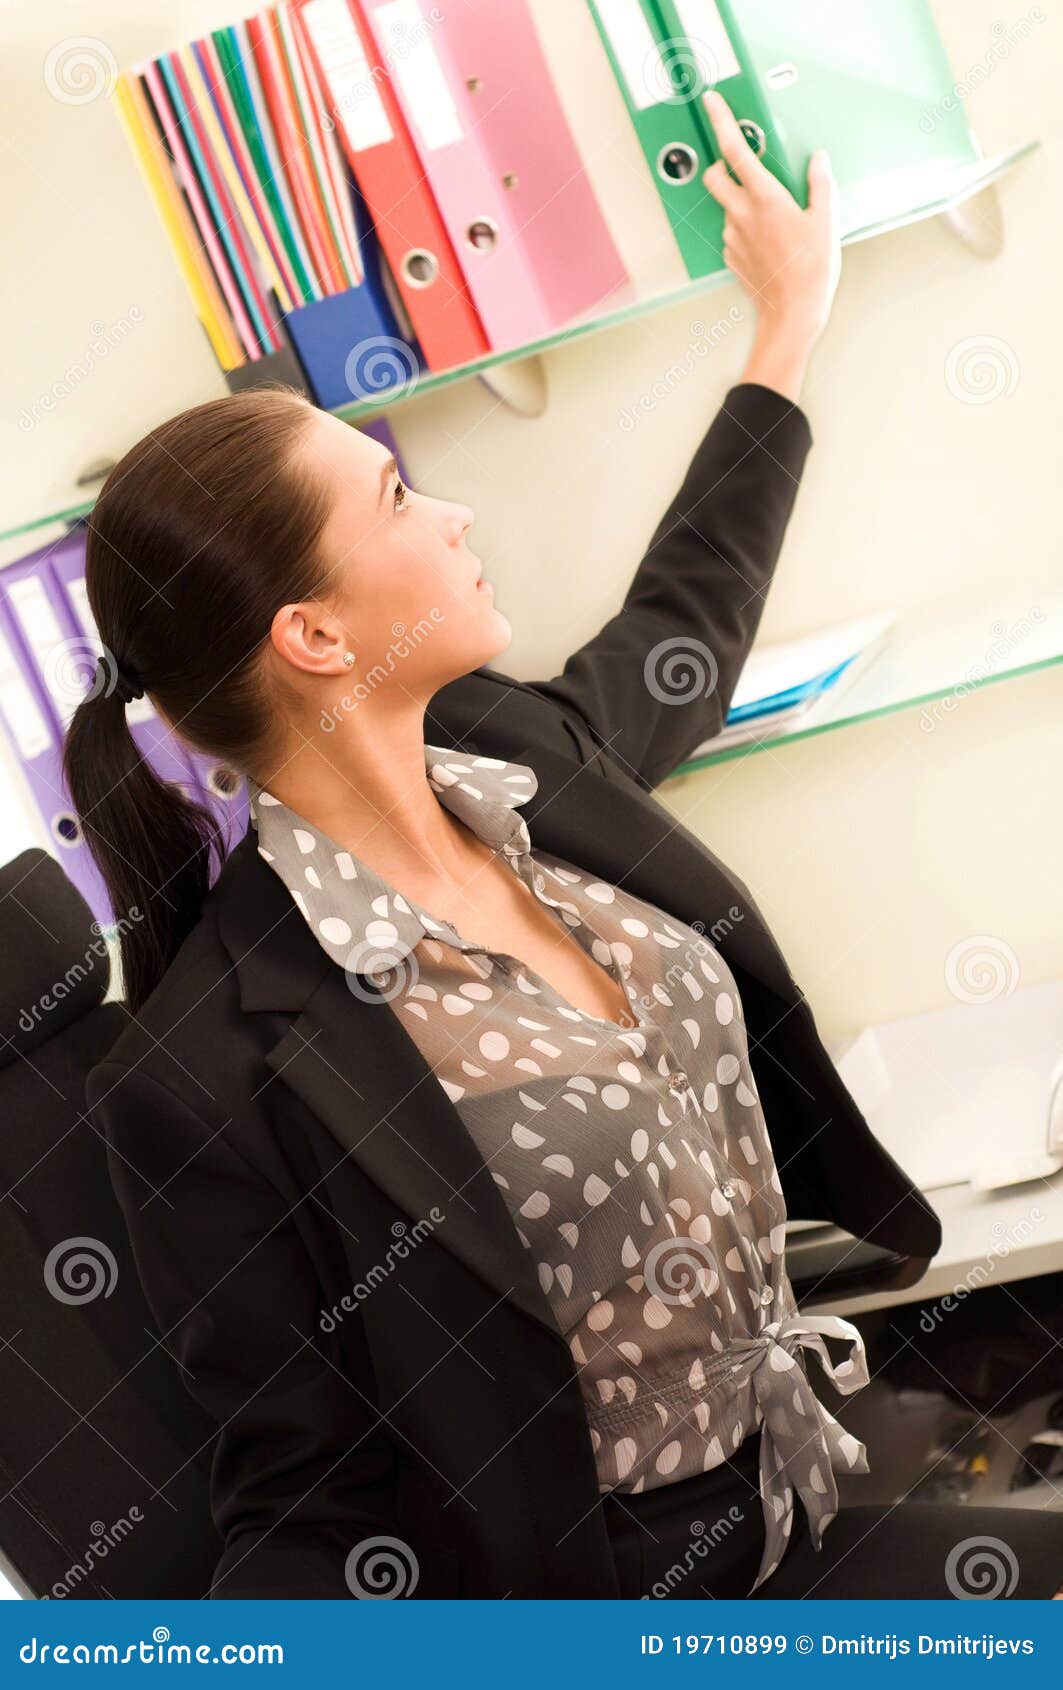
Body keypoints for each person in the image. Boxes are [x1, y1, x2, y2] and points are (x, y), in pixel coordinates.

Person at [71, 90, 1063, 1600]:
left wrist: (787, 326)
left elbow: (687, 625)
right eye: (398, 493)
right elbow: (307, 1512)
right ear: (317, 634)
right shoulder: (210, 1070)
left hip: (806, 1477)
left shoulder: (521, 762)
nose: (457, 512)